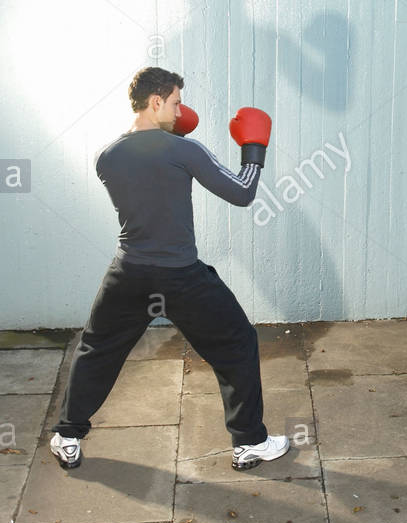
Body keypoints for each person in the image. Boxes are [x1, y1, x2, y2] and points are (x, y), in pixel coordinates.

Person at [49, 67, 289, 472]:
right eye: (176, 102)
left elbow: (150, 180)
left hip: (128, 273)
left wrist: (170, 136)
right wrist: (254, 147)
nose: (182, 111)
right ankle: (249, 443)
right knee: (237, 342)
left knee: (96, 351)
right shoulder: (185, 150)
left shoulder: (107, 156)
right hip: (179, 276)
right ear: (156, 101)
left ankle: (67, 435)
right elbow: (243, 192)